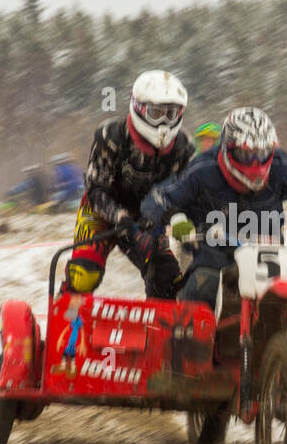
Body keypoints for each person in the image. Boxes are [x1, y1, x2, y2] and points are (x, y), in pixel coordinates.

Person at [140, 107, 287, 307]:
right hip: (215, 254)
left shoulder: (282, 167)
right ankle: (194, 341)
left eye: (262, 153)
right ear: (227, 148)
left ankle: (284, 337)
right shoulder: (204, 169)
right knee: (200, 290)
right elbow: (156, 197)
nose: (255, 164)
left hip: (271, 252)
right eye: (246, 154)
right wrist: (177, 219)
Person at [64, 70, 195, 297]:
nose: (164, 121)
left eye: (171, 114)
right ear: (139, 108)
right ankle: (67, 323)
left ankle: (159, 331)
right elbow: (96, 189)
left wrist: (176, 219)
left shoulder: (183, 147)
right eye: (156, 113)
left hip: (144, 220)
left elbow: (177, 196)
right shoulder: (111, 137)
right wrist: (118, 216)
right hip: (101, 212)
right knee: (83, 273)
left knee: (168, 280)